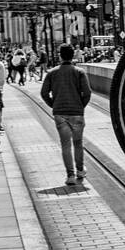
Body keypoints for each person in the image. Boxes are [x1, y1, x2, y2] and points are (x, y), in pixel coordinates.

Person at [40, 43, 92, 185]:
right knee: (78, 143)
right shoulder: (79, 72)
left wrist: (53, 104)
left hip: (60, 114)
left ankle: (70, 176)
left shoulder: (52, 73)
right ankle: (80, 170)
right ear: (73, 55)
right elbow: (87, 93)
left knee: (65, 145)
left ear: (60, 55)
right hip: (77, 113)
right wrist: (81, 106)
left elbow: (44, 93)